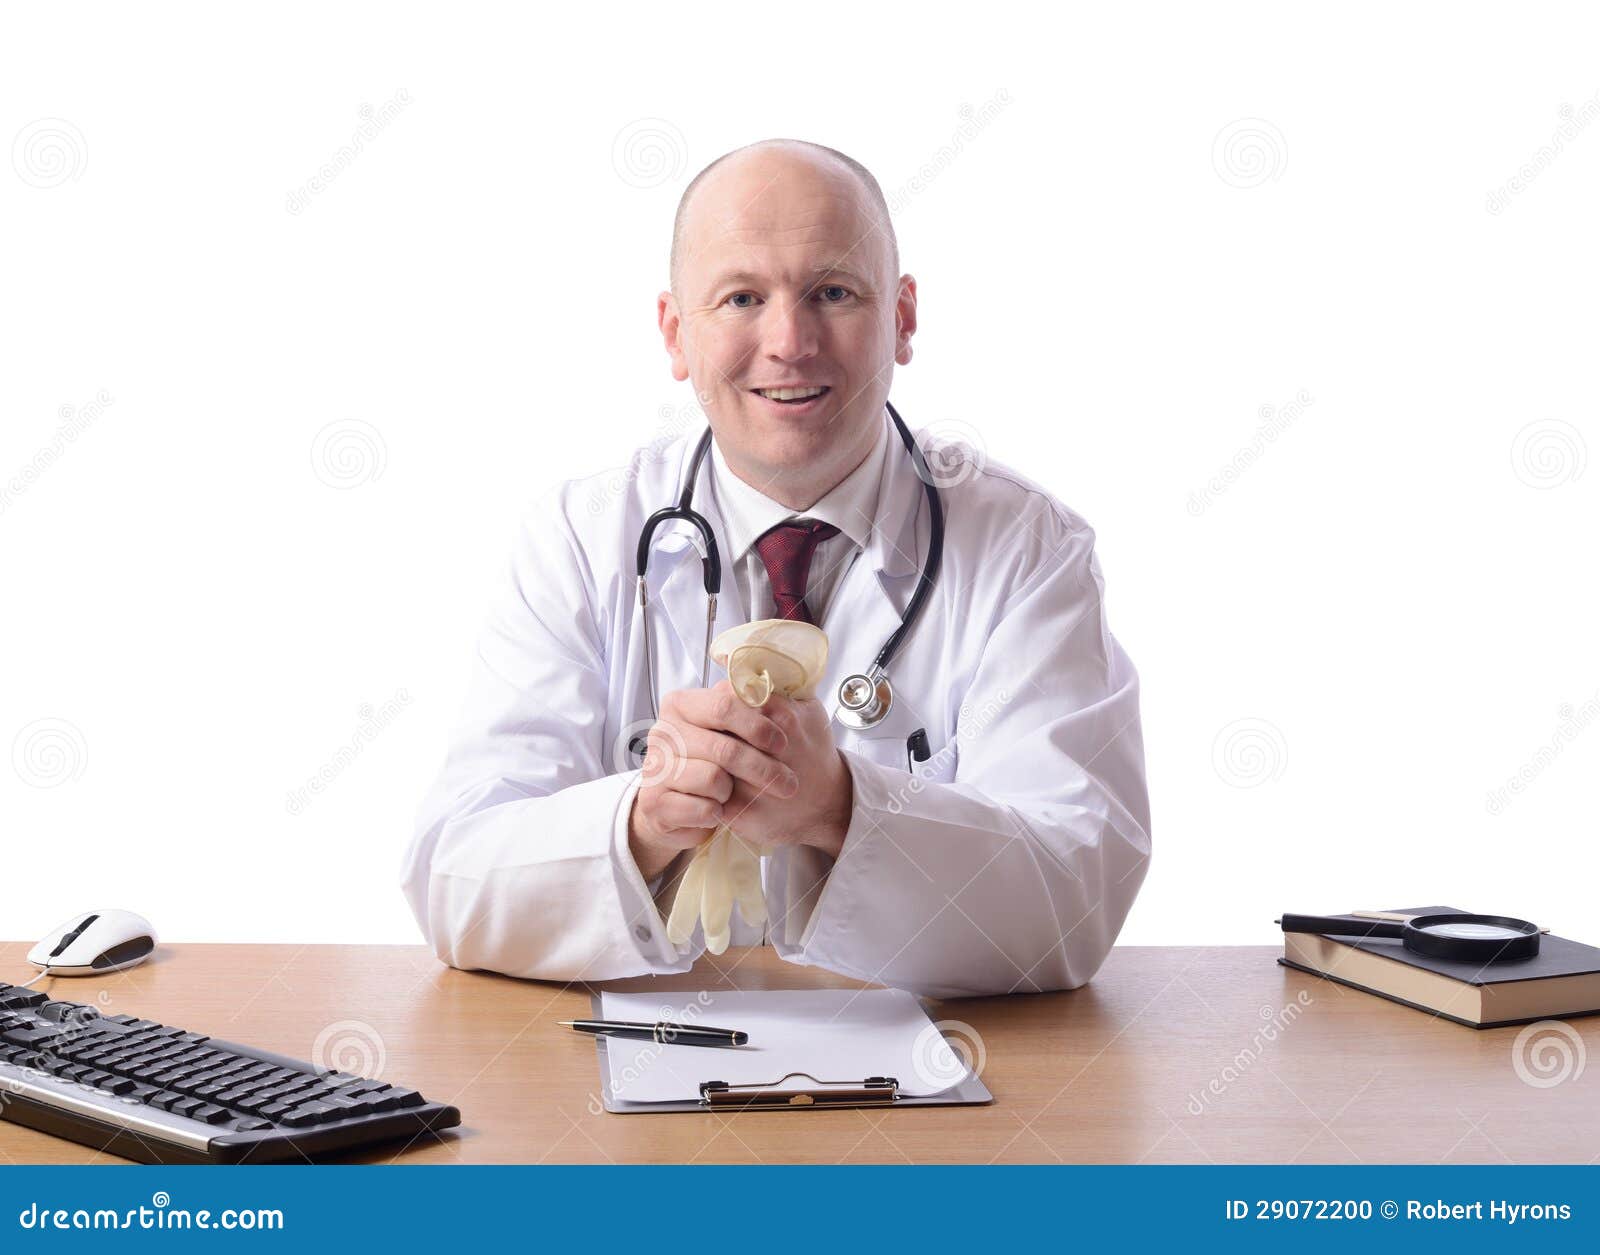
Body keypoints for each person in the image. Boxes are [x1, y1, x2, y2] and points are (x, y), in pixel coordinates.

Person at [399, 139, 1150, 999]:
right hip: (633, 1087)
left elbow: (1075, 898)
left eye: (832, 292)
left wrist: (841, 806)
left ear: (903, 318)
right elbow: (454, 881)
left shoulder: (1027, 548)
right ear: (676, 333)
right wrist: (642, 822)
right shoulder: (577, 538)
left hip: (939, 1101)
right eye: (741, 297)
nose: (789, 342)